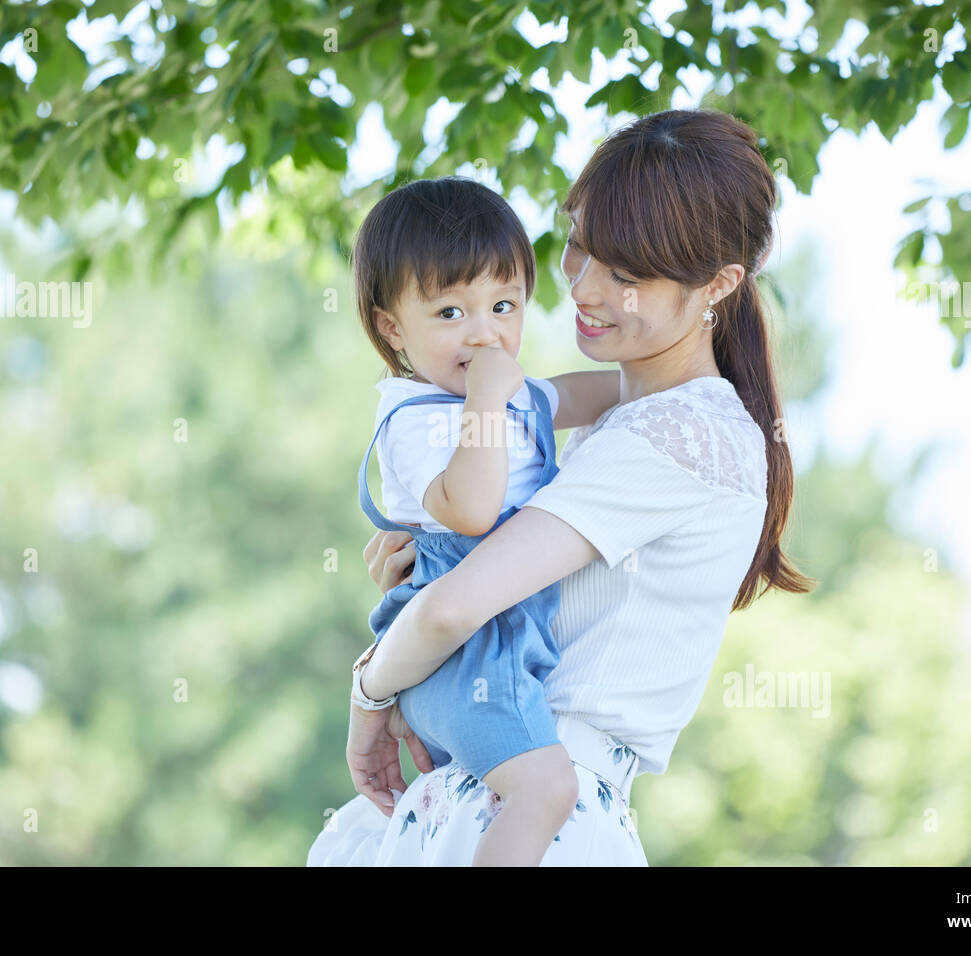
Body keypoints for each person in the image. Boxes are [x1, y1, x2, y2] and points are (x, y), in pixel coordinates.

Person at [309, 108, 814, 866]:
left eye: (626, 275)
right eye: (578, 248)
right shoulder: (622, 425)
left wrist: (370, 695)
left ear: (718, 285)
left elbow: (449, 612)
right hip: (498, 789)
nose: (582, 287)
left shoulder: (676, 437)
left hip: (546, 810)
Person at [348, 177, 623, 865]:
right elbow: (471, 512)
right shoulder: (413, 419)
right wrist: (488, 404)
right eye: (448, 313)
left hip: (505, 632)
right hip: (467, 649)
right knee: (544, 791)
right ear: (392, 328)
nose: (483, 332)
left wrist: (672, 386)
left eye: (503, 305)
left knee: (475, 802)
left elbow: (597, 392)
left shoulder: (501, 395)